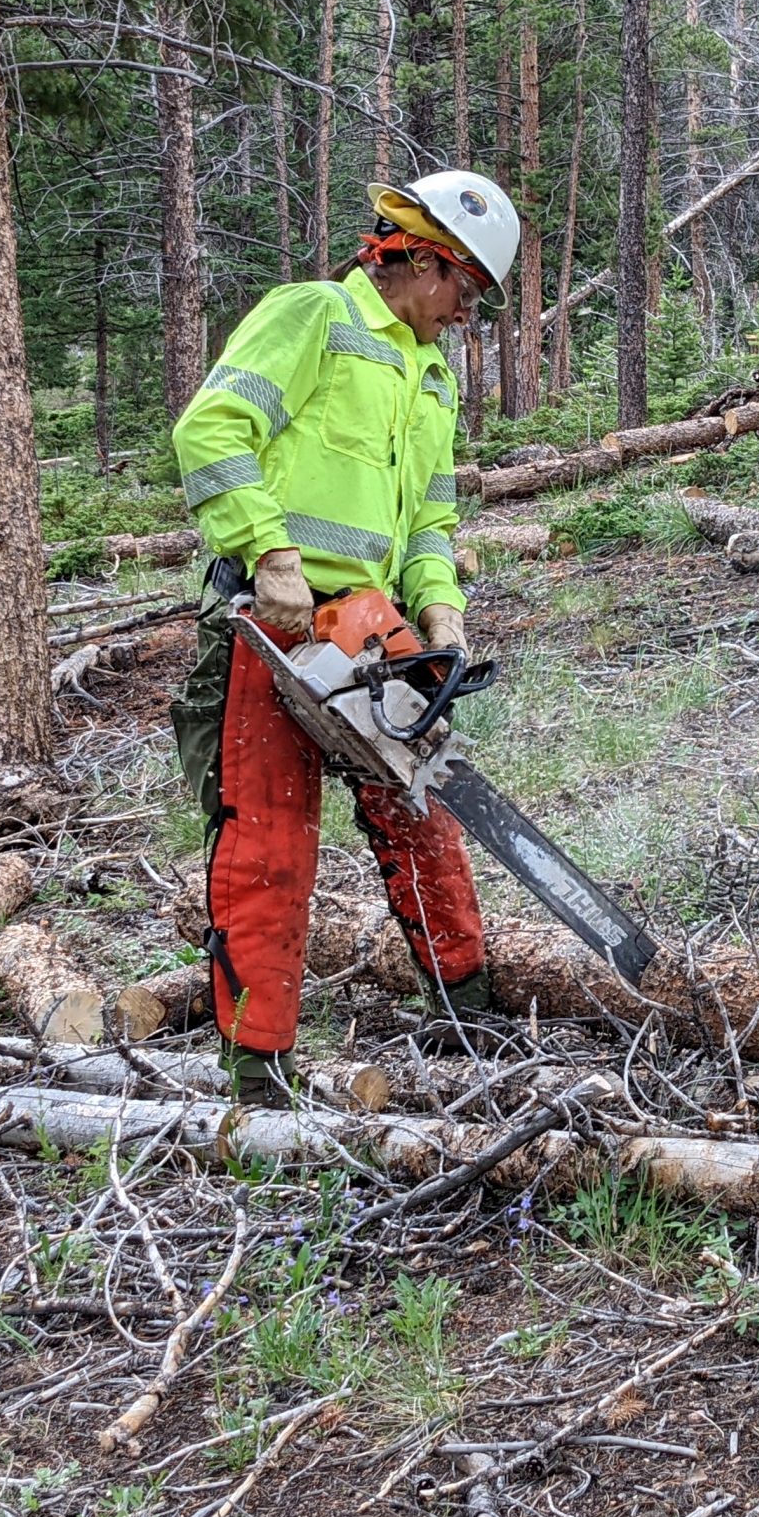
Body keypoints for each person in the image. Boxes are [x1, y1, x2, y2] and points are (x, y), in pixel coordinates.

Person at [170, 170, 522, 1105]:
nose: (463, 313)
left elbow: (432, 520)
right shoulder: (316, 317)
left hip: (372, 620)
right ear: (418, 258)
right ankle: (258, 1073)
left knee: (427, 810)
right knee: (269, 840)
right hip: (277, 617)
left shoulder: (430, 375)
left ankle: (468, 1010)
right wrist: (270, 551)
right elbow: (211, 428)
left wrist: (438, 607)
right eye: (463, 291)